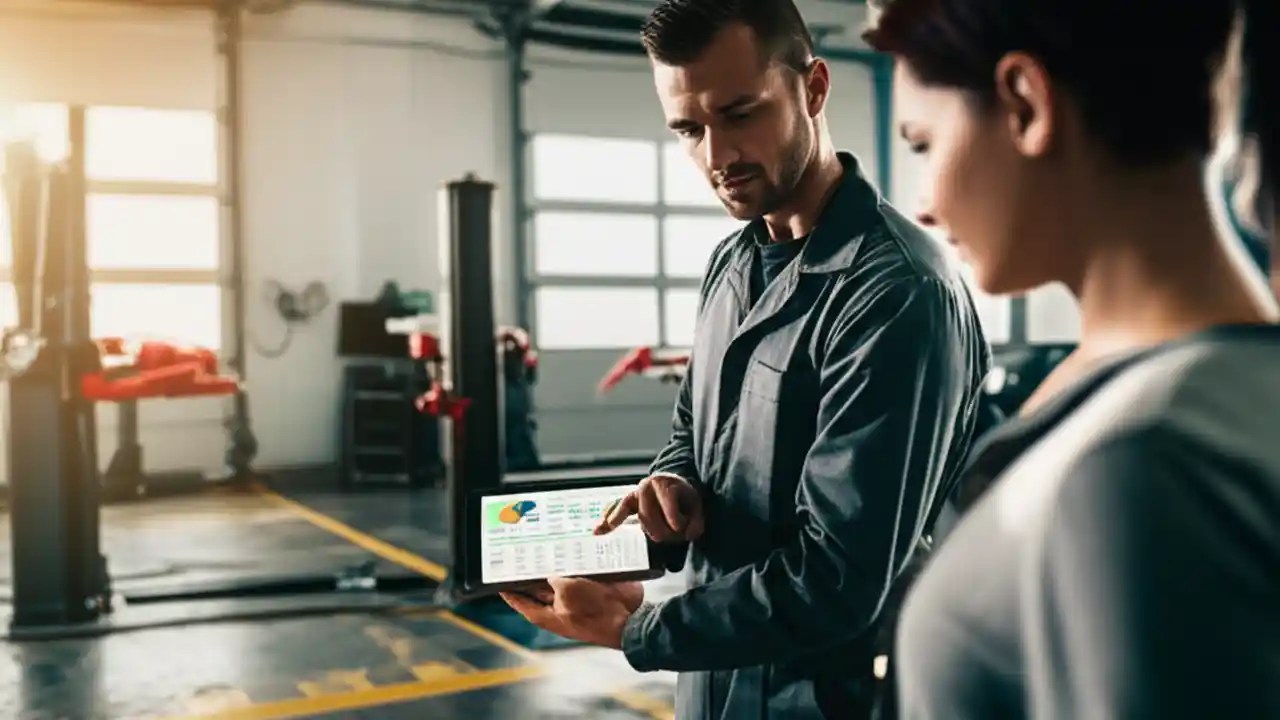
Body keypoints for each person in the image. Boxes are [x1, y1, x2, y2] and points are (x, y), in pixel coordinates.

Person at [500, 1, 990, 717]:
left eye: (740, 114)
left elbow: (838, 584)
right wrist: (672, 490)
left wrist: (637, 629)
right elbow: (690, 435)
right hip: (718, 678)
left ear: (814, 88)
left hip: (833, 695)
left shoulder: (895, 293)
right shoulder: (731, 266)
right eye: (688, 130)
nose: (716, 156)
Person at [863, 0, 1280, 717]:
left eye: (923, 144)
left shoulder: (1144, 461)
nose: (923, 205)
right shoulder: (1197, 397)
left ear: (1025, 105)